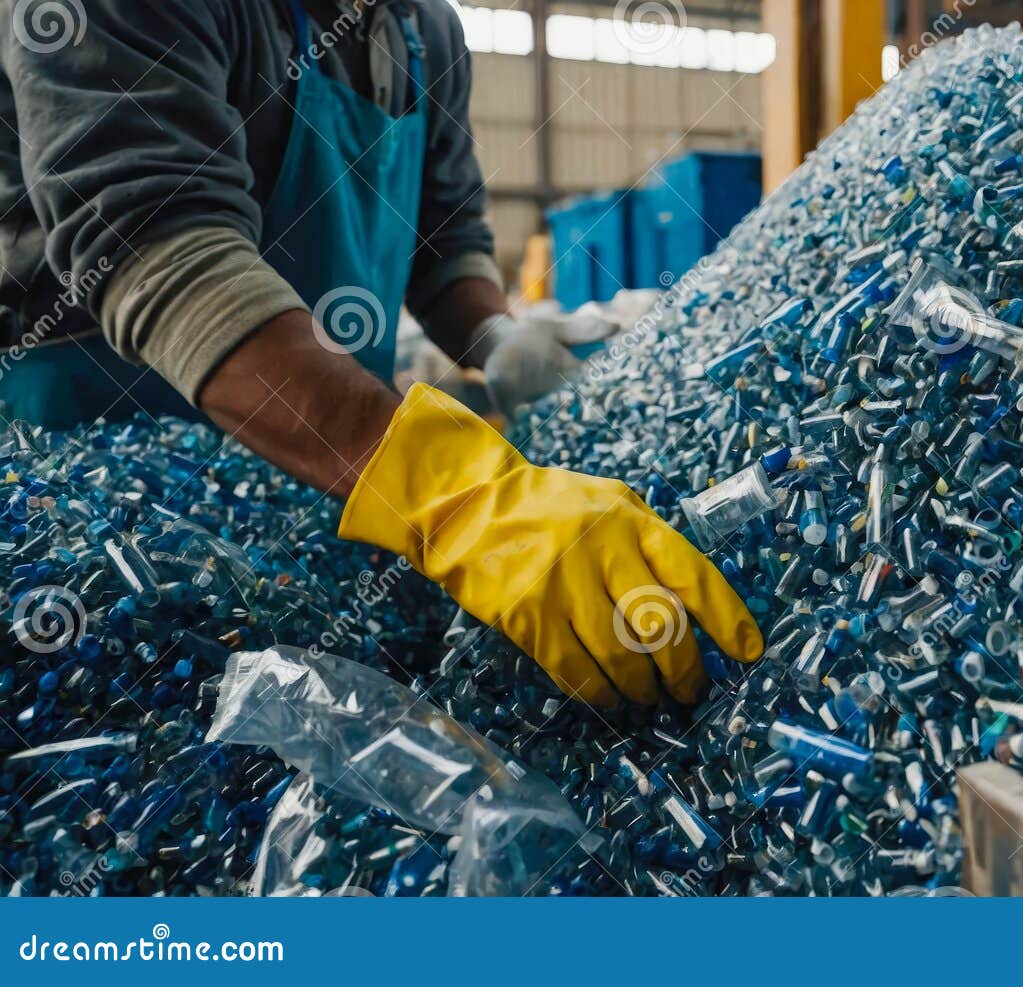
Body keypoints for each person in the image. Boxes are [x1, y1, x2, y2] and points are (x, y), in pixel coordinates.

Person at [0, 0, 763, 706]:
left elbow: (446, 244)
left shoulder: (422, 31)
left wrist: (496, 334)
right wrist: (454, 495)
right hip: (102, 491)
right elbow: (159, 252)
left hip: (331, 480)